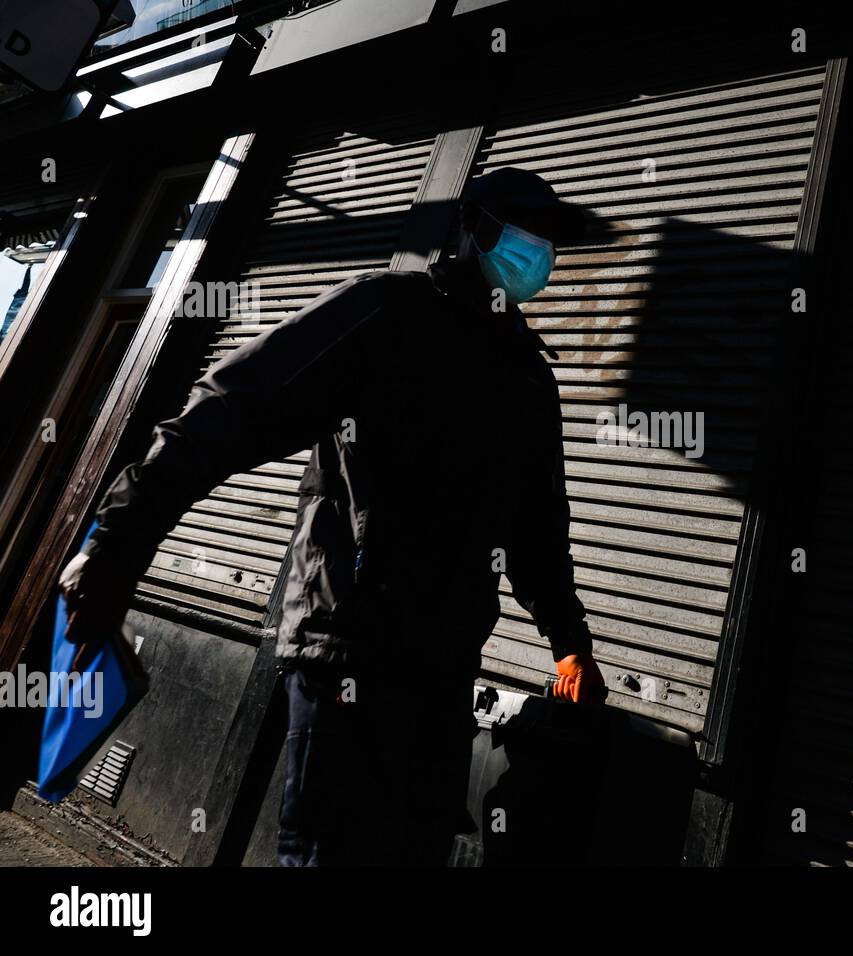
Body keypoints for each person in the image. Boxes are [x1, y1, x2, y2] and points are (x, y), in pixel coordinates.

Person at [56, 166, 606, 865]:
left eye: (549, 245)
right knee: (327, 854)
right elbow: (229, 411)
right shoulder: (384, 313)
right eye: (525, 238)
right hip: (347, 649)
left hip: (442, 672)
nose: (540, 257)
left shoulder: (527, 376)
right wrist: (118, 539)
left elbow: (536, 529)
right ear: (472, 230)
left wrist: (569, 641)